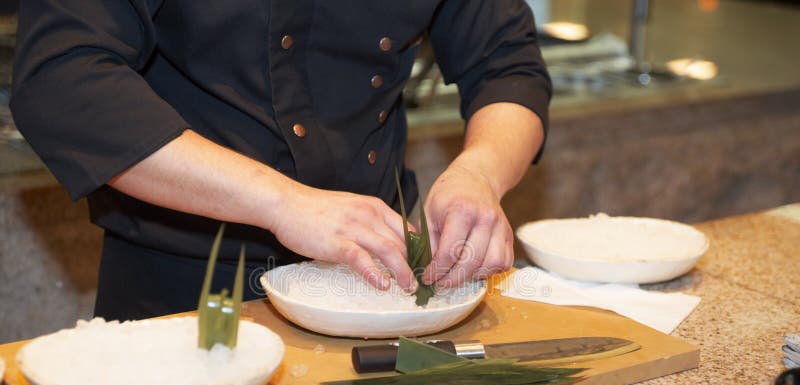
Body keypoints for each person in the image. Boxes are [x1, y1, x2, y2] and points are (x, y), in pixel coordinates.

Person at [10, 0, 551, 321]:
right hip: (181, 285)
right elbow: (63, 79)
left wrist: (479, 172)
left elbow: (508, 65)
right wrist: (282, 203)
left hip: (375, 279)